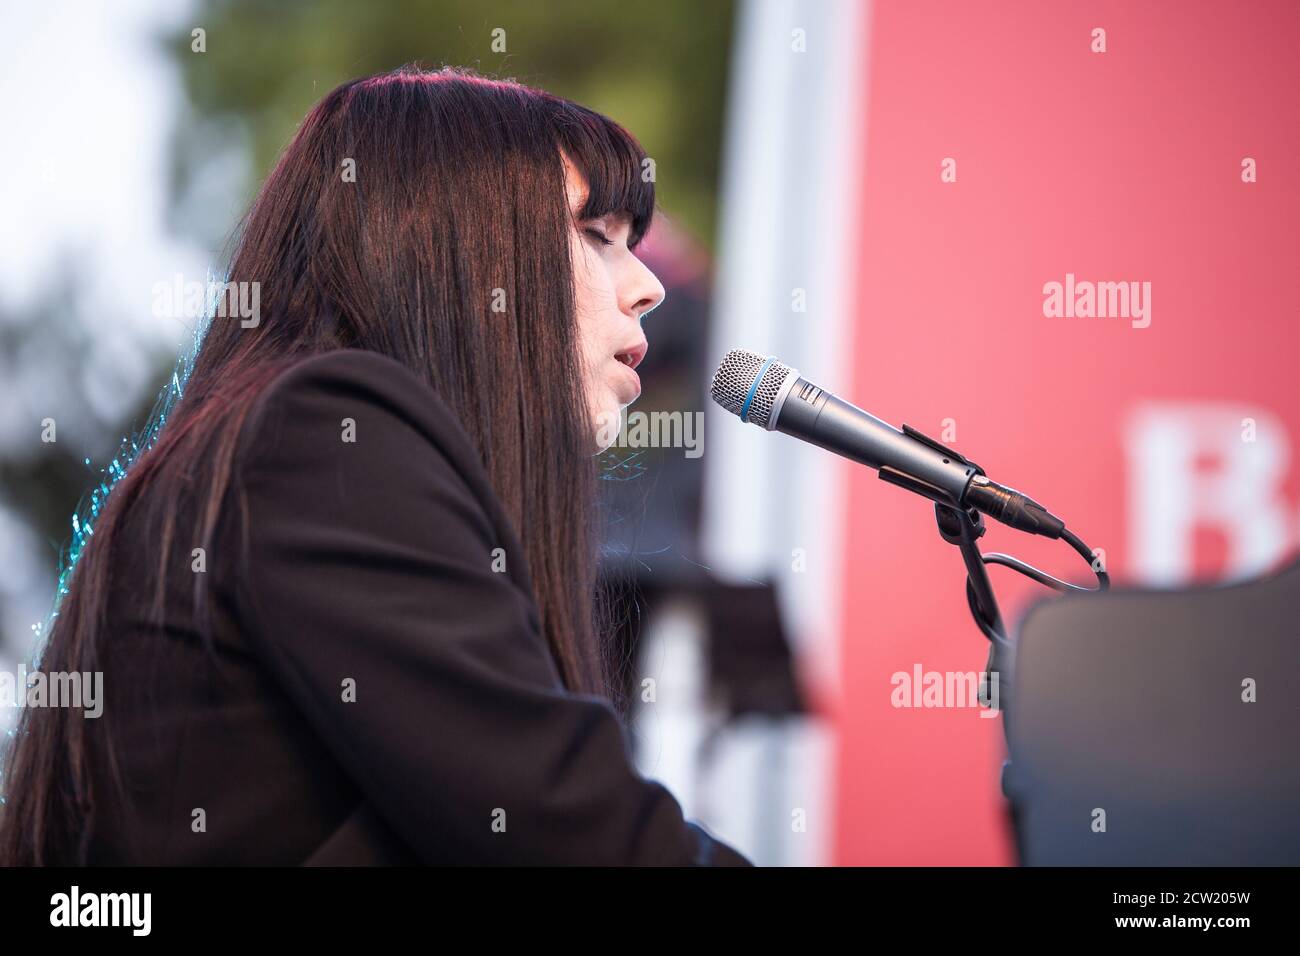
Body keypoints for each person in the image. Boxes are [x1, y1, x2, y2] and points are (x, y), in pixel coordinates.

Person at [0, 65, 752, 866]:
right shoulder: (325, 429)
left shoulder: (294, 442)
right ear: (451, 251)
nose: (646, 288)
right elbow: (570, 829)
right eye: (599, 237)